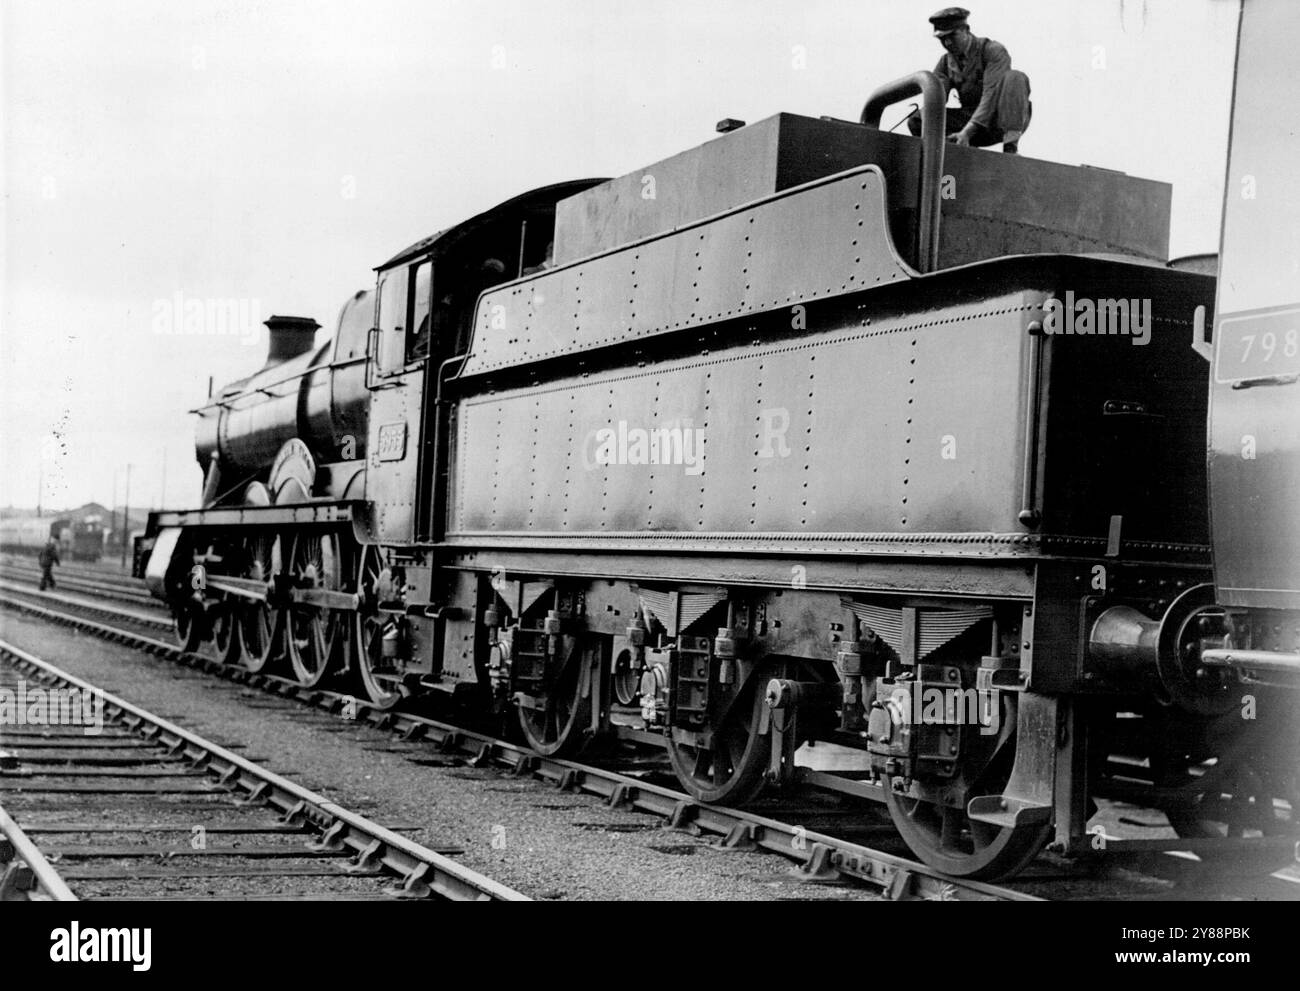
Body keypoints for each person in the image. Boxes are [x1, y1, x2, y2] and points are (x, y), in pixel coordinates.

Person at [908, 7, 1032, 153]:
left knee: (1015, 78)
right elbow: (937, 97)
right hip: (969, 118)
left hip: (998, 121)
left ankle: (1011, 148)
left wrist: (967, 131)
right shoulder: (945, 62)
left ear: (966, 30)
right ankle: (946, 155)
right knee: (919, 119)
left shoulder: (992, 50)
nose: (947, 43)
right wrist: (926, 113)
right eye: (942, 39)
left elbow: (990, 95)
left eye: (952, 36)